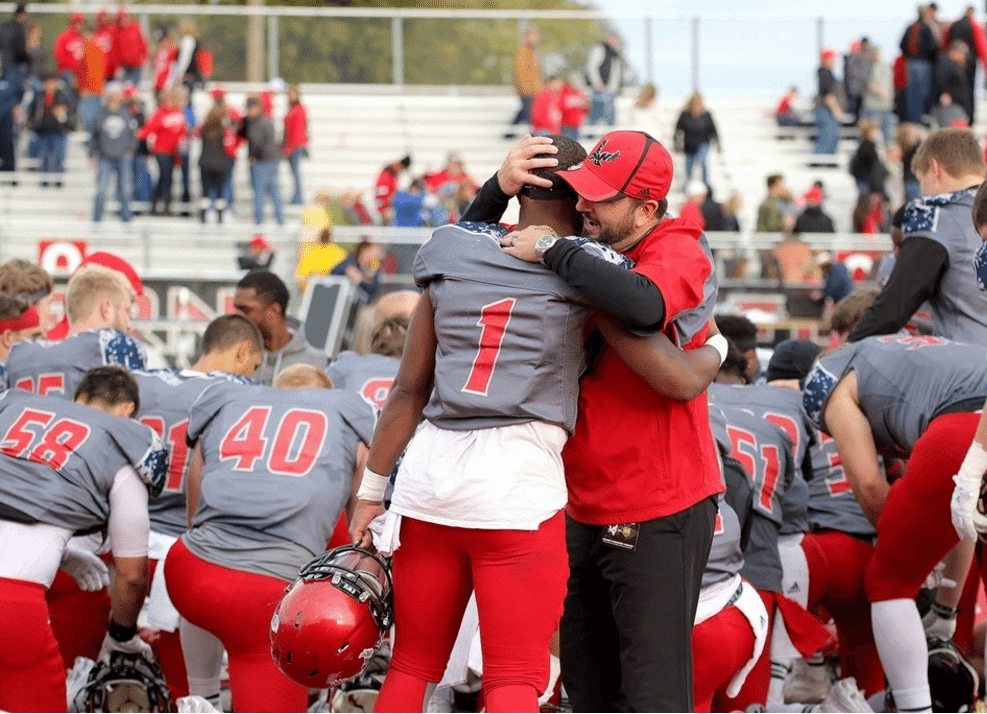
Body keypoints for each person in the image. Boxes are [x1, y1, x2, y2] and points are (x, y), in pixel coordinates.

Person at [350, 133, 723, 713]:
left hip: (637, 497)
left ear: (648, 208)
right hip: (540, 490)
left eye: (601, 197)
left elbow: (408, 385)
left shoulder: (652, 250)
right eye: (580, 193)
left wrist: (507, 207)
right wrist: (715, 353)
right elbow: (668, 356)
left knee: (418, 665)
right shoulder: (585, 261)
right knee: (539, 681)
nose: (586, 207)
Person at [164, 366, 375, 712]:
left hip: (189, 571)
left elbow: (194, 518)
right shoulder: (351, 416)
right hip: (265, 594)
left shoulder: (226, 402)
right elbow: (360, 539)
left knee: (209, 569)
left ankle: (203, 697)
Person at [802, 334, 986, 713]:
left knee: (889, 581)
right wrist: (946, 611)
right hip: (969, 418)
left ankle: (914, 708)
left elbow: (870, 484)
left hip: (964, 428)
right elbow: (957, 521)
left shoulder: (833, 379)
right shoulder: (923, 352)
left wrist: (908, 553)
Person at [0, 365, 167, 713]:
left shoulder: (11, 406)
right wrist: (122, 635)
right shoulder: (124, 447)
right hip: (13, 597)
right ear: (129, 411)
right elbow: (132, 573)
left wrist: (61, 554)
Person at [133, 314, 262, 702]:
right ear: (243, 352)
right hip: (193, 550)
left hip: (124, 545)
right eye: (254, 364)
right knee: (196, 689)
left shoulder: (142, 382)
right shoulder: (240, 392)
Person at [850, 128, 986, 343]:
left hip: (967, 361)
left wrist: (841, 357)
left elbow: (893, 308)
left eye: (922, 181)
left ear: (934, 169)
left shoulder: (938, 215)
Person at [233, 269, 328, 386]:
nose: (236, 317)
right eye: (236, 309)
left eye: (245, 310)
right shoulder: (233, 361)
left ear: (273, 311)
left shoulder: (318, 364)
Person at [91, 83, 137, 223]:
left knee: (125, 189)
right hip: (105, 156)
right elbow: (94, 136)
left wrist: (130, 149)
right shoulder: (100, 114)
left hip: (123, 155)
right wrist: (93, 154)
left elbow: (132, 134)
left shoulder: (126, 114)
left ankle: (126, 219)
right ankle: (96, 220)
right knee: (101, 190)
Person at [138, 87, 186, 216]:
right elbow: (150, 128)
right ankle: (165, 205)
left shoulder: (179, 112)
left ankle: (155, 204)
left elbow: (182, 130)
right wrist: (137, 135)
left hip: (173, 151)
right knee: (166, 175)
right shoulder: (160, 113)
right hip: (161, 150)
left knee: (166, 177)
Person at [239, 95, 283, 225]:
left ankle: (258, 222)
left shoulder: (257, 123)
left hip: (262, 161)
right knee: (274, 192)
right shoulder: (264, 120)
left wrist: (252, 155)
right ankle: (279, 220)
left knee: (259, 192)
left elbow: (255, 141)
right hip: (271, 160)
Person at [943, 5, 987, 124]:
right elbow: (981, 46)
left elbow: (945, 43)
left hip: (952, 64)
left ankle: (957, 120)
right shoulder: (974, 25)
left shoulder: (953, 25)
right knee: (968, 92)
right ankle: (968, 119)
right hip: (969, 66)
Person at [27, 72, 71, 188]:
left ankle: (58, 181)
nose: (50, 85)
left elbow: (71, 111)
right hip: (43, 130)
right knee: (44, 156)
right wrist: (33, 124)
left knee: (59, 157)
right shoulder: (39, 95)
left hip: (59, 131)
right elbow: (31, 111)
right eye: (48, 83)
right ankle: (44, 181)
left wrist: (63, 113)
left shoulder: (62, 96)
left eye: (53, 83)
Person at [900, 5, 940, 123]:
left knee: (912, 94)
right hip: (923, 63)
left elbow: (902, 45)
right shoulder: (927, 27)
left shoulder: (911, 27)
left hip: (911, 63)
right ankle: (919, 120)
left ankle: (913, 120)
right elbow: (934, 46)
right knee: (922, 93)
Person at [196, 102, 232, 223]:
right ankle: (220, 217)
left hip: (205, 163)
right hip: (220, 164)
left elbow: (195, 133)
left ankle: (203, 216)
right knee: (220, 191)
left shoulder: (204, 127)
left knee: (205, 190)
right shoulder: (224, 129)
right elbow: (229, 147)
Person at [675, 92, 720, 187]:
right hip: (689, 146)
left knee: (702, 160)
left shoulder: (707, 115)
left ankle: (705, 183)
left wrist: (718, 145)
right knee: (689, 167)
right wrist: (677, 146)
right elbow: (678, 131)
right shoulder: (684, 115)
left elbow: (713, 130)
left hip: (703, 143)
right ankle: (689, 185)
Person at [505, 27, 541, 138]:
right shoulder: (522, 52)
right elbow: (521, 72)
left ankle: (508, 134)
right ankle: (532, 135)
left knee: (523, 112)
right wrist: (526, 89)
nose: (535, 39)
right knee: (529, 114)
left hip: (535, 90)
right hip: (527, 90)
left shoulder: (533, 52)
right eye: (533, 36)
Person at [584, 31, 623, 128]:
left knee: (610, 118)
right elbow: (591, 66)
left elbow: (615, 72)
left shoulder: (615, 53)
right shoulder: (600, 49)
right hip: (600, 89)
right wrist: (596, 82)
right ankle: (590, 138)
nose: (614, 41)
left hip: (611, 90)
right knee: (595, 116)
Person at [860, 45, 895, 146]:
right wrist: (879, 90)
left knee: (888, 137)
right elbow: (866, 84)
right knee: (871, 137)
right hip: (873, 107)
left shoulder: (886, 67)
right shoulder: (867, 68)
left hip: (886, 107)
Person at [932, 39, 972, 126]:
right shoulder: (944, 62)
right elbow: (940, 78)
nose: (964, 56)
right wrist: (944, 92)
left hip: (956, 105)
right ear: (955, 51)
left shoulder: (955, 64)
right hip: (949, 106)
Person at [331, 238, 383, 305]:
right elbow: (335, 272)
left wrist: (361, 279)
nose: (374, 255)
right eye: (371, 252)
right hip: (345, 301)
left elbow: (374, 288)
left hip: (364, 303)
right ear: (363, 250)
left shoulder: (374, 266)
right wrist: (349, 272)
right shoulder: (351, 261)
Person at [295, 224, 345, 292]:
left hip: (328, 292)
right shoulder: (339, 253)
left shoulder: (339, 253)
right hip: (316, 292)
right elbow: (300, 276)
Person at [814, 49, 845, 155]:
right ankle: (819, 162)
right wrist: (836, 109)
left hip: (826, 110)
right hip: (826, 110)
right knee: (828, 136)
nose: (834, 61)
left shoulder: (825, 73)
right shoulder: (825, 74)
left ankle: (827, 161)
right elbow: (828, 95)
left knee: (831, 136)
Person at [282, 82, 307, 205]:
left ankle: (298, 197)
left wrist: (290, 147)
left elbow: (297, 130)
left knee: (296, 172)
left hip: (296, 145)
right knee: (293, 172)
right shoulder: (292, 109)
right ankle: (296, 196)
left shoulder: (298, 109)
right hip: (291, 144)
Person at [114, 8, 147, 86]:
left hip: (136, 66)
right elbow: (115, 51)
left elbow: (143, 43)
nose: (123, 19)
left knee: (134, 89)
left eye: (125, 16)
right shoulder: (117, 31)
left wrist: (145, 57)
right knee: (122, 89)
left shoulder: (135, 27)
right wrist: (117, 66)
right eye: (121, 18)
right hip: (124, 66)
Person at [374, 155, 411, 225]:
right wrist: (383, 209)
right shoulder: (386, 176)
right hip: (385, 211)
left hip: (389, 208)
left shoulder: (393, 176)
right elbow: (381, 195)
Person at [0, 3, 28, 82]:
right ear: (22, 14)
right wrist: (26, 60)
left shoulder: (4, 26)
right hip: (15, 65)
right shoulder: (19, 28)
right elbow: (20, 49)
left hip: (4, 62)